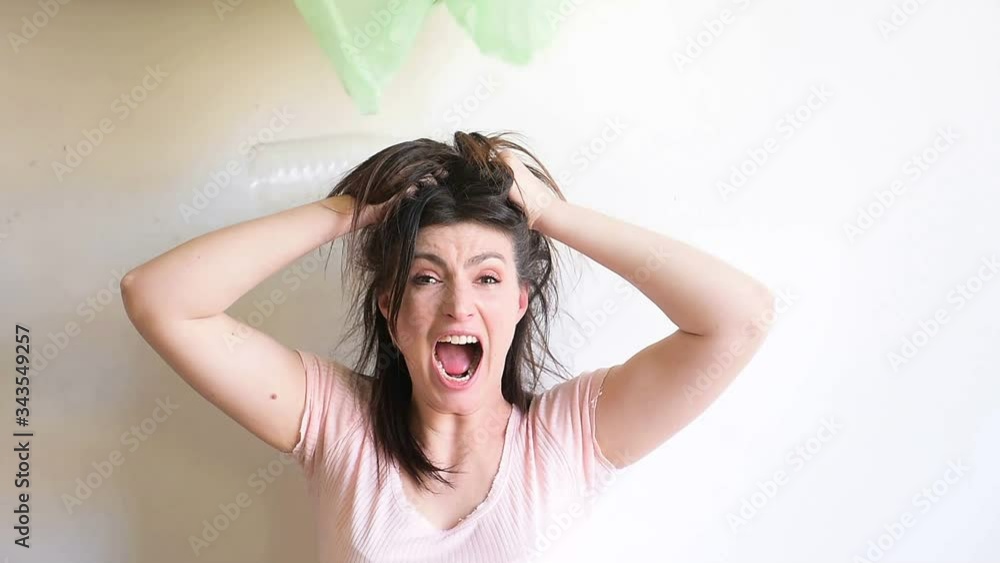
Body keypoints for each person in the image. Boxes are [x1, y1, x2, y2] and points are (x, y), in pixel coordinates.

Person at [121, 131, 775, 562]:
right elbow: (157, 297)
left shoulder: (571, 433)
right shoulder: (337, 421)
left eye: (488, 278)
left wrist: (549, 214)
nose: (460, 304)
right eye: (427, 277)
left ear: (520, 303)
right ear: (391, 307)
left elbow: (740, 316)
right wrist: (349, 211)